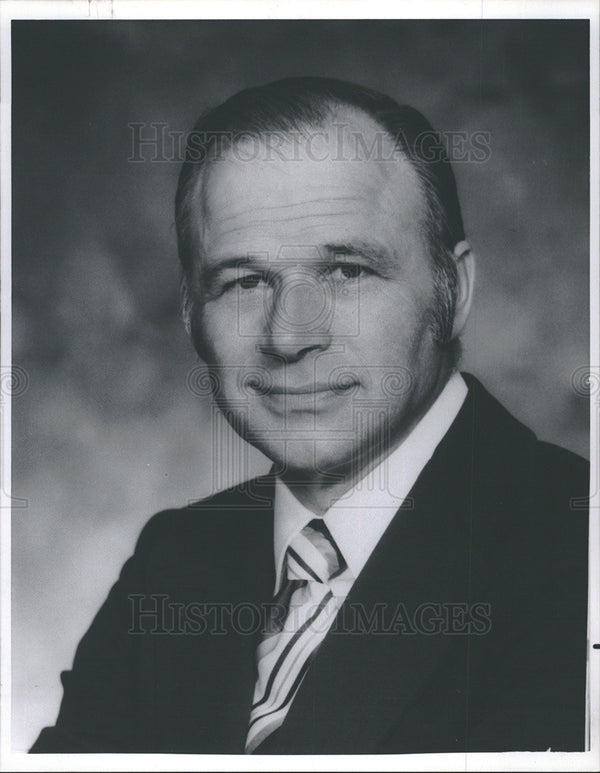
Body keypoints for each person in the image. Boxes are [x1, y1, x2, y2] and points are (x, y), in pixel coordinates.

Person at [30, 77, 589, 754]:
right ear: (190, 318)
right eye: (244, 281)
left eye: (346, 272)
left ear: (454, 292)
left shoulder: (574, 551)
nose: (290, 336)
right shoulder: (173, 565)